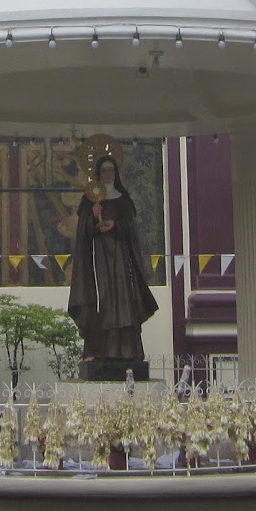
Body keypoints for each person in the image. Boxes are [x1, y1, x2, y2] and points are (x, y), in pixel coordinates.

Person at [68, 155, 158, 362]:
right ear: (98, 175)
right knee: (104, 299)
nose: (107, 175)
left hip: (121, 259)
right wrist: (92, 217)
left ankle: (127, 350)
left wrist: (115, 225)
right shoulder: (89, 200)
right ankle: (99, 349)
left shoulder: (123, 199)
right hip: (99, 259)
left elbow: (132, 231)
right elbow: (83, 233)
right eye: (103, 171)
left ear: (116, 174)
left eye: (111, 171)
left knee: (123, 300)